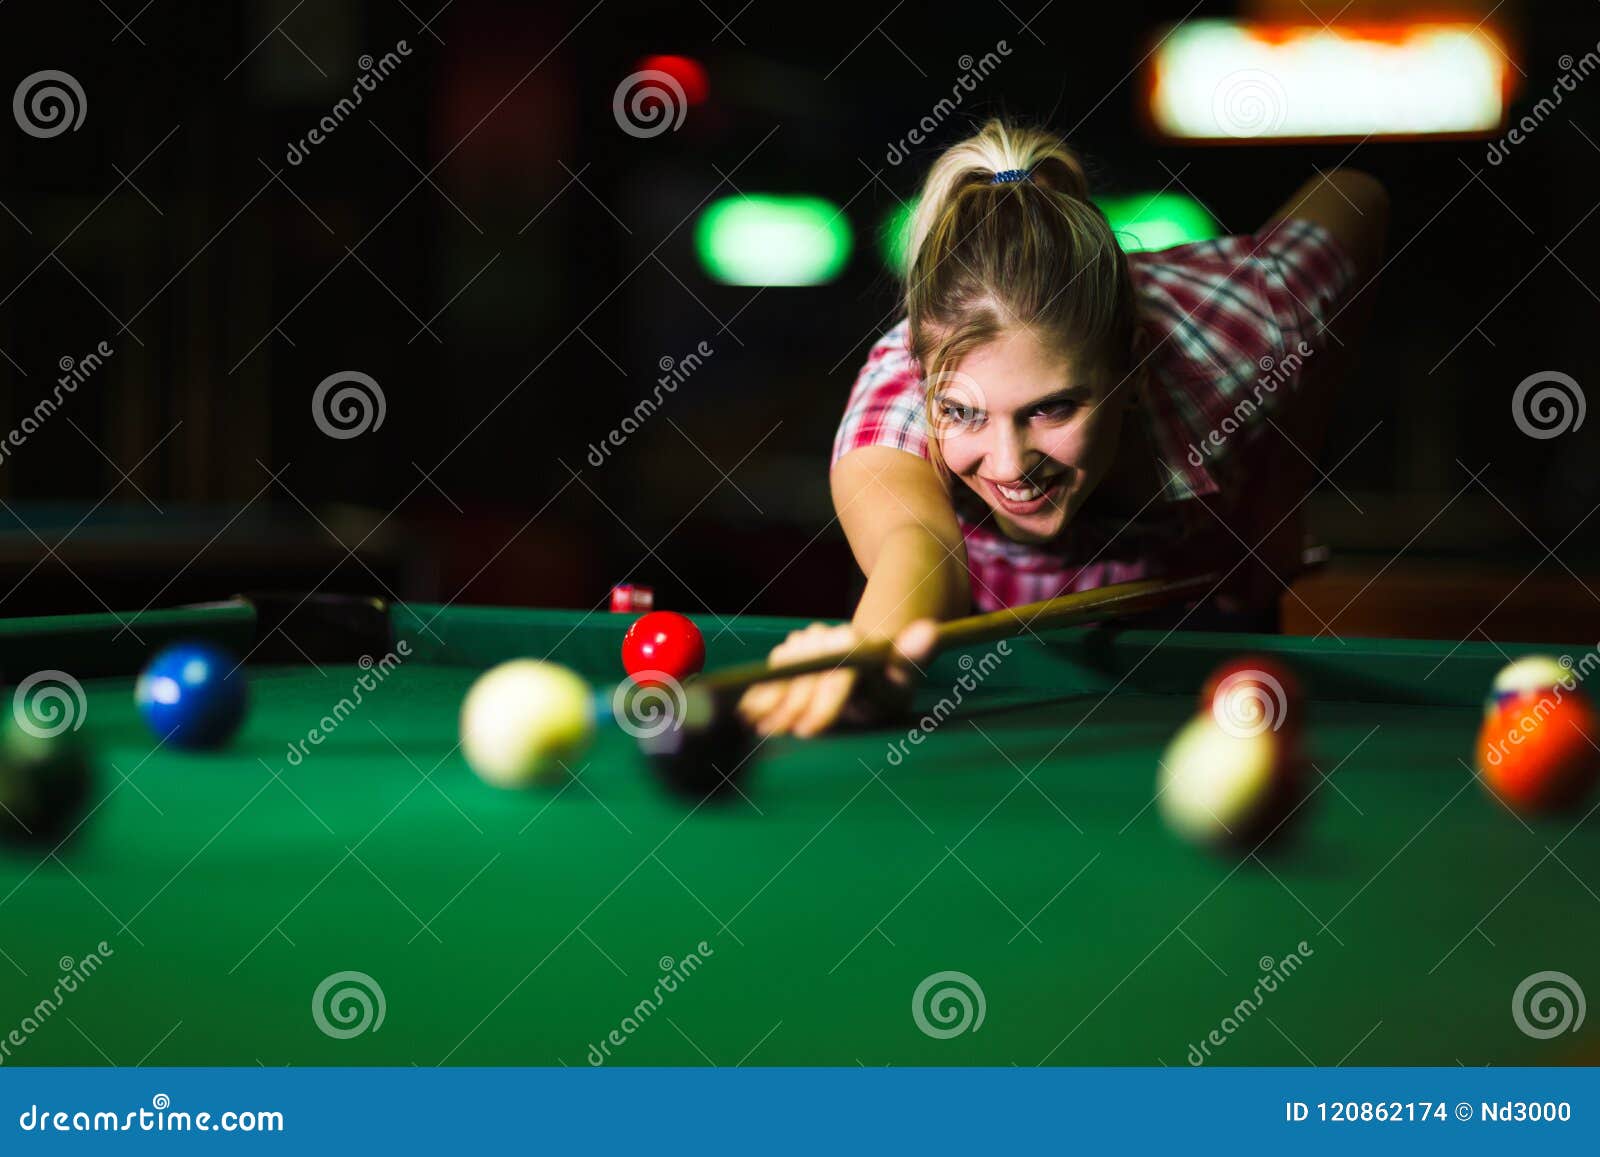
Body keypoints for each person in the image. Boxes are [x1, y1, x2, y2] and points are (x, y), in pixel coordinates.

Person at [739, 117, 1388, 737]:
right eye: (963, 412)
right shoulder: (895, 399)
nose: (1009, 462)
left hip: (1217, 651)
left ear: (1132, 370)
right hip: (1002, 679)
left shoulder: (1238, 332)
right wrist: (876, 654)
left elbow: (1355, 195)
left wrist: (1282, 486)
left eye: (1052, 408)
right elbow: (918, 544)